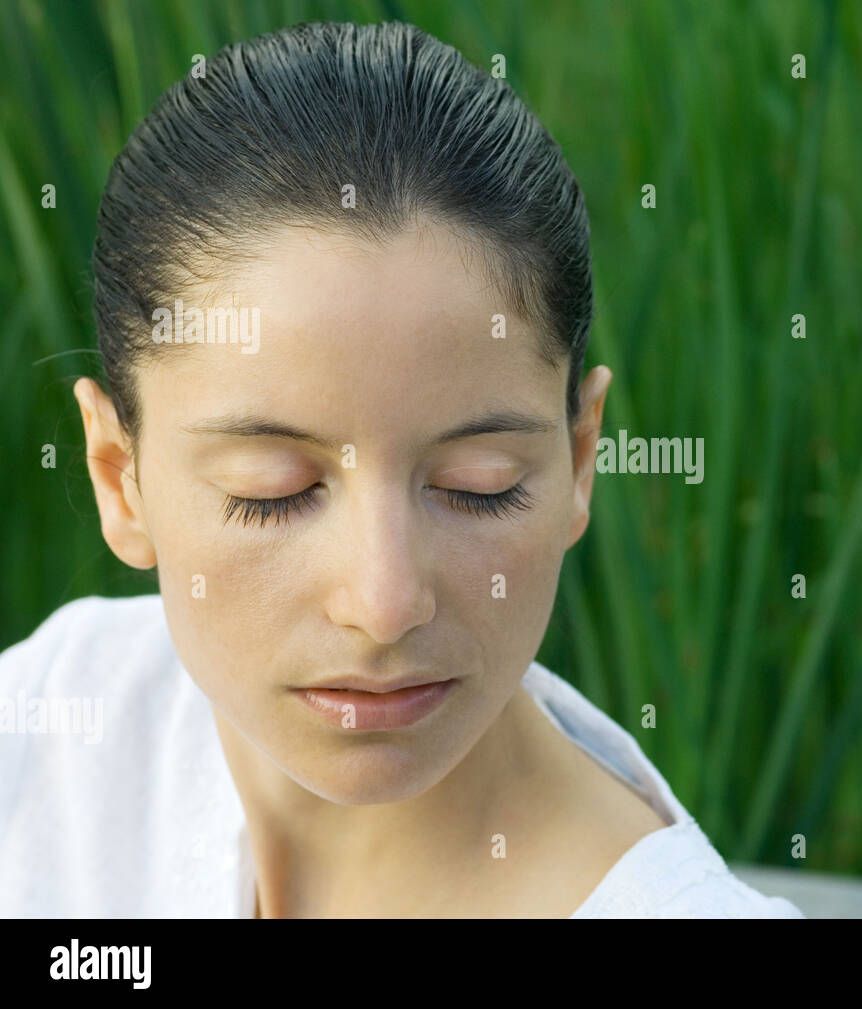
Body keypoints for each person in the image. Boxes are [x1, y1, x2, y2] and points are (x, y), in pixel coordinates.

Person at [0, 20, 803, 918]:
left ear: (580, 458)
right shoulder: (58, 726)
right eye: (273, 491)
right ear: (121, 477)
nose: (384, 604)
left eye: (480, 484)